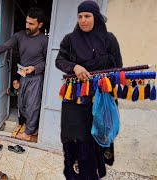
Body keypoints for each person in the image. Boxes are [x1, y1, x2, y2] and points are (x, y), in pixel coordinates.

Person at [55, 1, 122, 179]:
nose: (83, 20)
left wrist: (105, 85)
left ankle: (94, 173)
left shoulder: (110, 39)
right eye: (80, 16)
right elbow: (59, 60)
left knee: (96, 137)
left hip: (100, 98)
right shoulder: (70, 40)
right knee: (76, 138)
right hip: (76, 98)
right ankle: (75, 172)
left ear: (96, 17)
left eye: (87, 16)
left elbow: (118, 68)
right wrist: (75, 67)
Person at [0, 7, 48, 141]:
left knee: (32, 105)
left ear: (40, 25)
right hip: (23, 76)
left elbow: (47, 61)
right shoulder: (19, 36)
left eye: (31, 24)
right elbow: (4, 47)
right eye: (27, 22)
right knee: (22, 104)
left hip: (36, 77)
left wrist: (35, 68)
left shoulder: (44, 40)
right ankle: (34, 128)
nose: (27, 26)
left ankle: (28, 132)